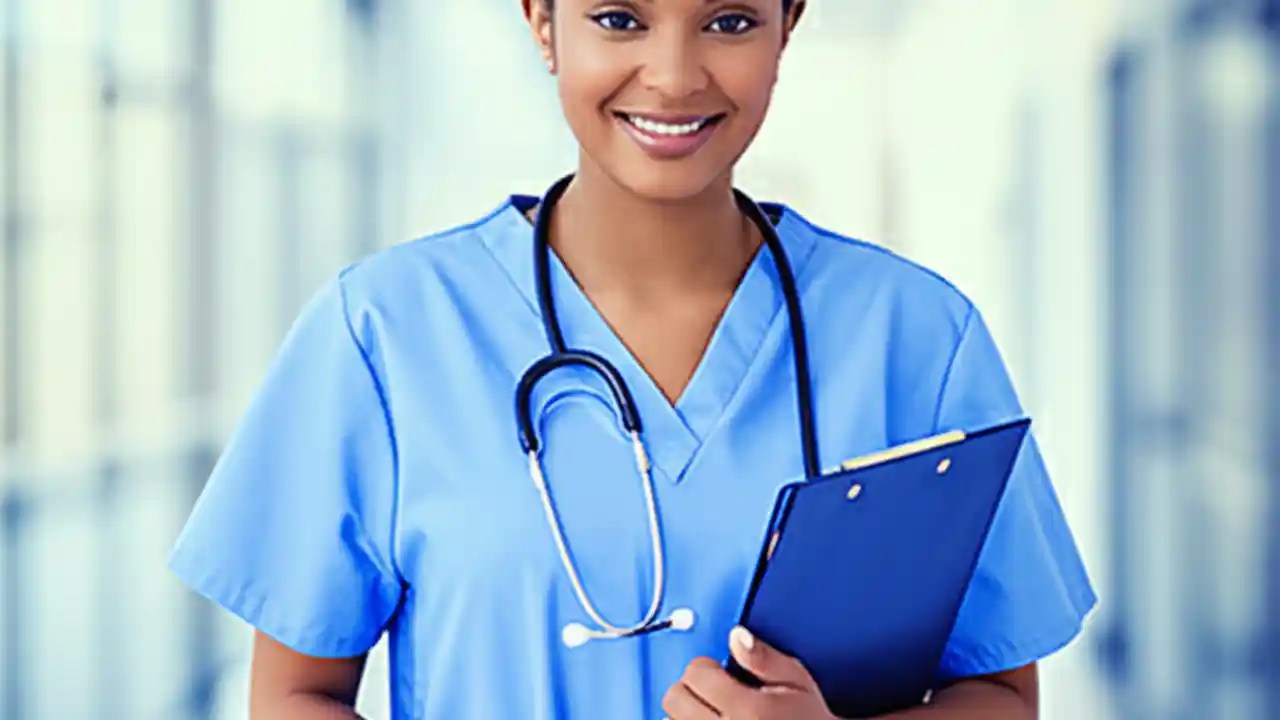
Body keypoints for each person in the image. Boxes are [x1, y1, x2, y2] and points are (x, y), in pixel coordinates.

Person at [167, 0, 1097, 718]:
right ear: (542, 21)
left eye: (729, 20)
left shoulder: (916, 337)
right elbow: (296, 692)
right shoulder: (385, 331)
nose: (674, 73)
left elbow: (1003, 693)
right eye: (619, 18)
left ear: (789, 26)